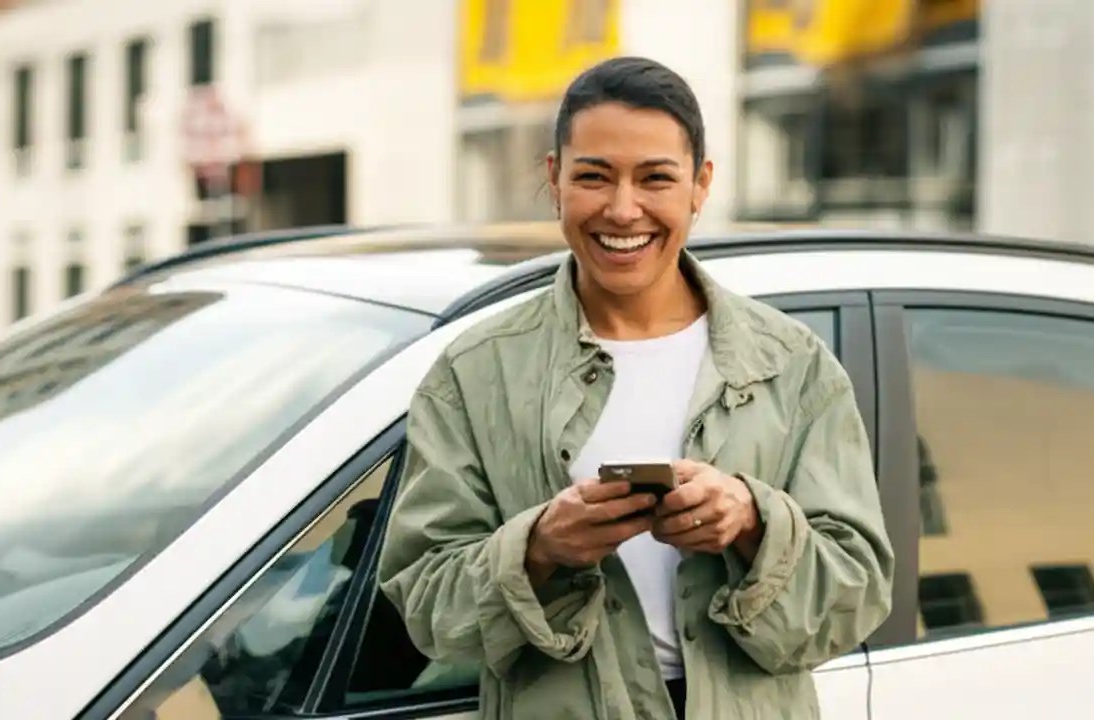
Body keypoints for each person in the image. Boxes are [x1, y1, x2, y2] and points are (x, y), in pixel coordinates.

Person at [378, 56, 894, 719]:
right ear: (554, 179)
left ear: (700, 186)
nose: (624, 210)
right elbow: (425, 608)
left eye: (655, 178)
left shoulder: (792, 366)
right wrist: (539, 547)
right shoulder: (475, 374)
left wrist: (750, 520)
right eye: (593, 176)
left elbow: (858, 594)